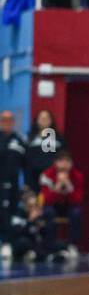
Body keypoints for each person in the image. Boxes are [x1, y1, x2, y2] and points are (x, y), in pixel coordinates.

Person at [40, 149, 84, 260]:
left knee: (76, 212)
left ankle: (72, 245)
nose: (64, 165)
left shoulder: (78, 176)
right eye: (61, 161)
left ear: (71, 163)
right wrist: (57, 187)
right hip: (53, 205)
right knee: (48, 212)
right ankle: (49, 244)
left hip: (69, 205)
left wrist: (69, 186)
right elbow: (47, 199)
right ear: (55, 163)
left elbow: (78, 200)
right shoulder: (46, 175)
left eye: (67, 162)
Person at [0, 110, 25, 261]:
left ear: (14, 123)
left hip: (13, 185)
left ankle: (7, 243)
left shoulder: (19, 141)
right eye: (4, 119)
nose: (7, 122)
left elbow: (26, 164)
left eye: (10, 120)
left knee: (9, 214)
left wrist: (27, 185)